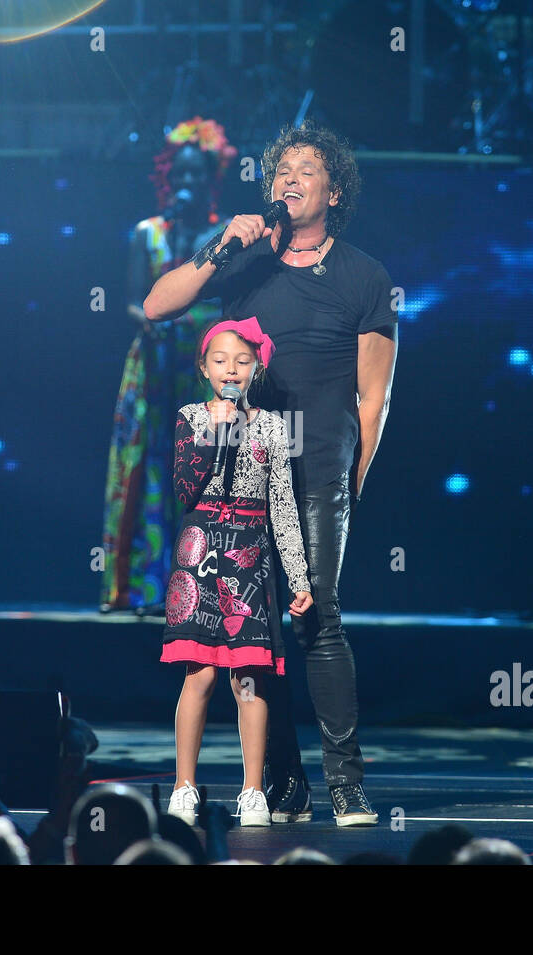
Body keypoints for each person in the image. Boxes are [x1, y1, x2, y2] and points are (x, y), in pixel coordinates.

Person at [144, 121, 398, 827]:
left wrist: (353, 477)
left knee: (317, 616)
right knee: (260, 637)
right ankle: (285, 782)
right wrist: (221, 244)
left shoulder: (363, 276)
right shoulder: (246, 262)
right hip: (244, 473)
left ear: (333, 190)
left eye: (306, 169)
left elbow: (373, 396)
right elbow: (159, 305)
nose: (289, 178)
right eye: (281, 169)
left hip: (318, 468)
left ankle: (346, 780)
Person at [162, 319, 312, 828]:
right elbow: (184, 489)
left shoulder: (272, 425)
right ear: (205, 368)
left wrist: (299, 577)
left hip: (249, 554)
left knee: (248, 678)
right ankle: (184, 786)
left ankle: (252, 790)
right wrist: (215, 430)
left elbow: (284, 507)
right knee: (198, 674)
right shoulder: (189, 417)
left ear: (257, 369)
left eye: (242, 361)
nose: (232, 369)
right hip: (200, 550)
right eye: (221, 360)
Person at [100, 118, 238, 614]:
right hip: (154, 362)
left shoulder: (224, 236)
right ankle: (142, 586)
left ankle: (202, 590)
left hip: (202, 363)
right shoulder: (148, 234)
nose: (187, 183)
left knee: (203, 467)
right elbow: (132, 300)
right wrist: (150, 320)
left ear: (211, 176)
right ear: (166, 177)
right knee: (148, 464)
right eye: (178, 174)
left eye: (196, 174)